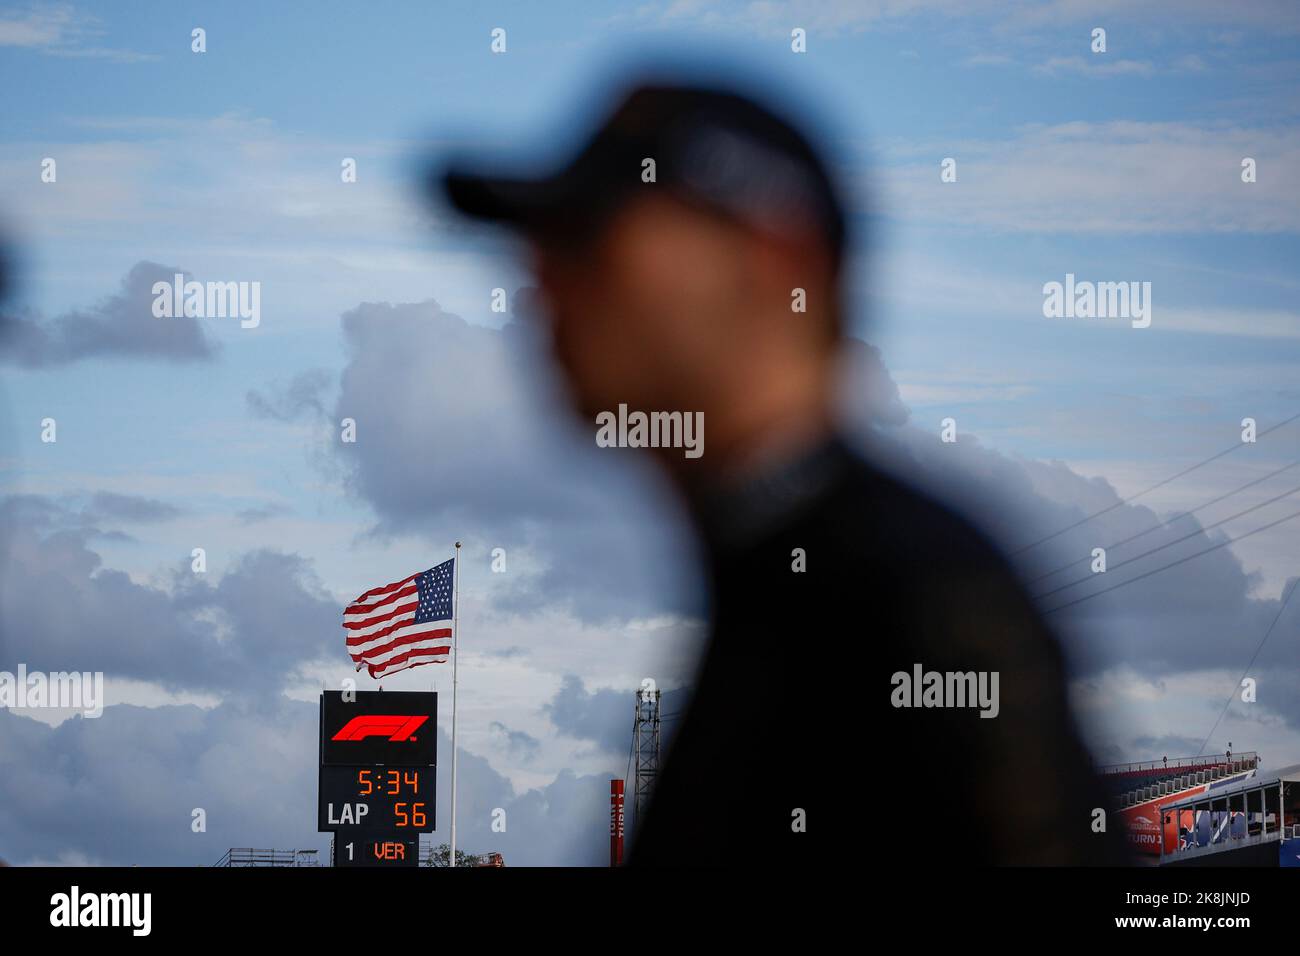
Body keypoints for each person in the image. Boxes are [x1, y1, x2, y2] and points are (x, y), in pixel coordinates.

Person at [439, 78, 1128, 866]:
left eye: (589, 235)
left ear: (775, 255)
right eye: (538, 245)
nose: (539, 281)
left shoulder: (912, 594)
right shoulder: (783, 584)